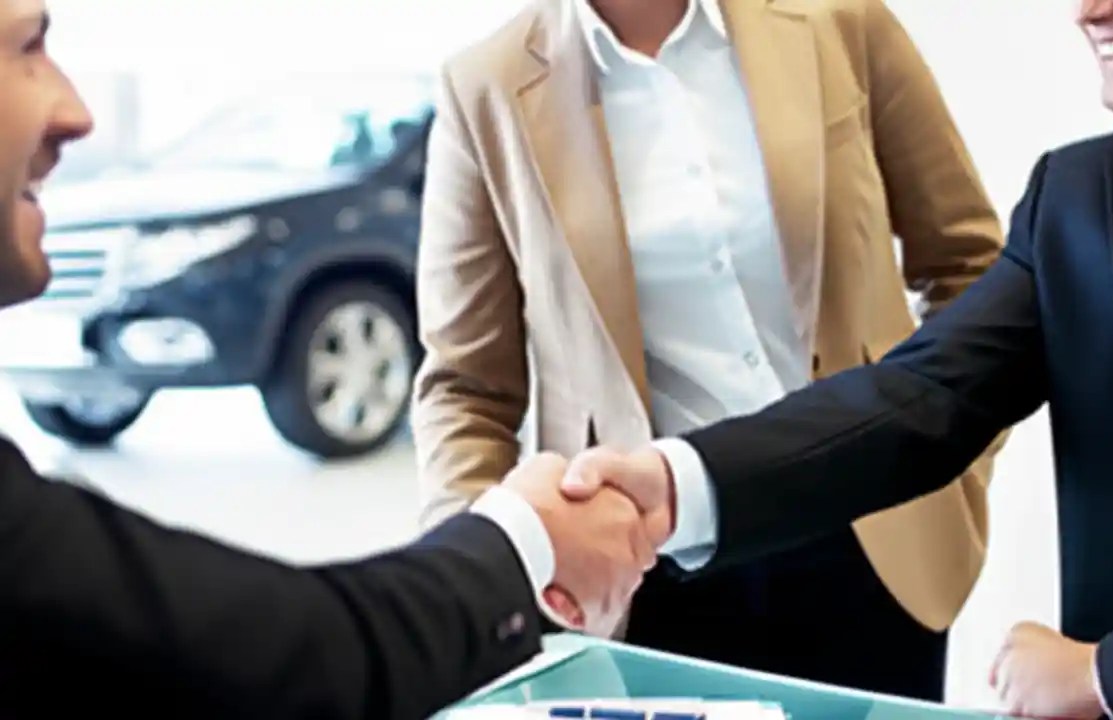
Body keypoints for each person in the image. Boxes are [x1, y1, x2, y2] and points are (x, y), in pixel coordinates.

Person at [556, 0, 1113, 717]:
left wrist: (1108, 672)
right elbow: (919, 398)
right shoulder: (1078, 198)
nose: (1090, 11)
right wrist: (670, 485)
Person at [0, 2, 653, 716]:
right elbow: (296, 655)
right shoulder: (485, 79)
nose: (76, 112)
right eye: (27, 49)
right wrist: (522, 538)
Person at [412, 0, 1003, 699]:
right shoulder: (487, 84)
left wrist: (955, 454)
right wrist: (488, 583)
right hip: (645, 570)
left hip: (872, 528)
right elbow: (465, 387)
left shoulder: (838, 19)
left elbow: (970, 268)